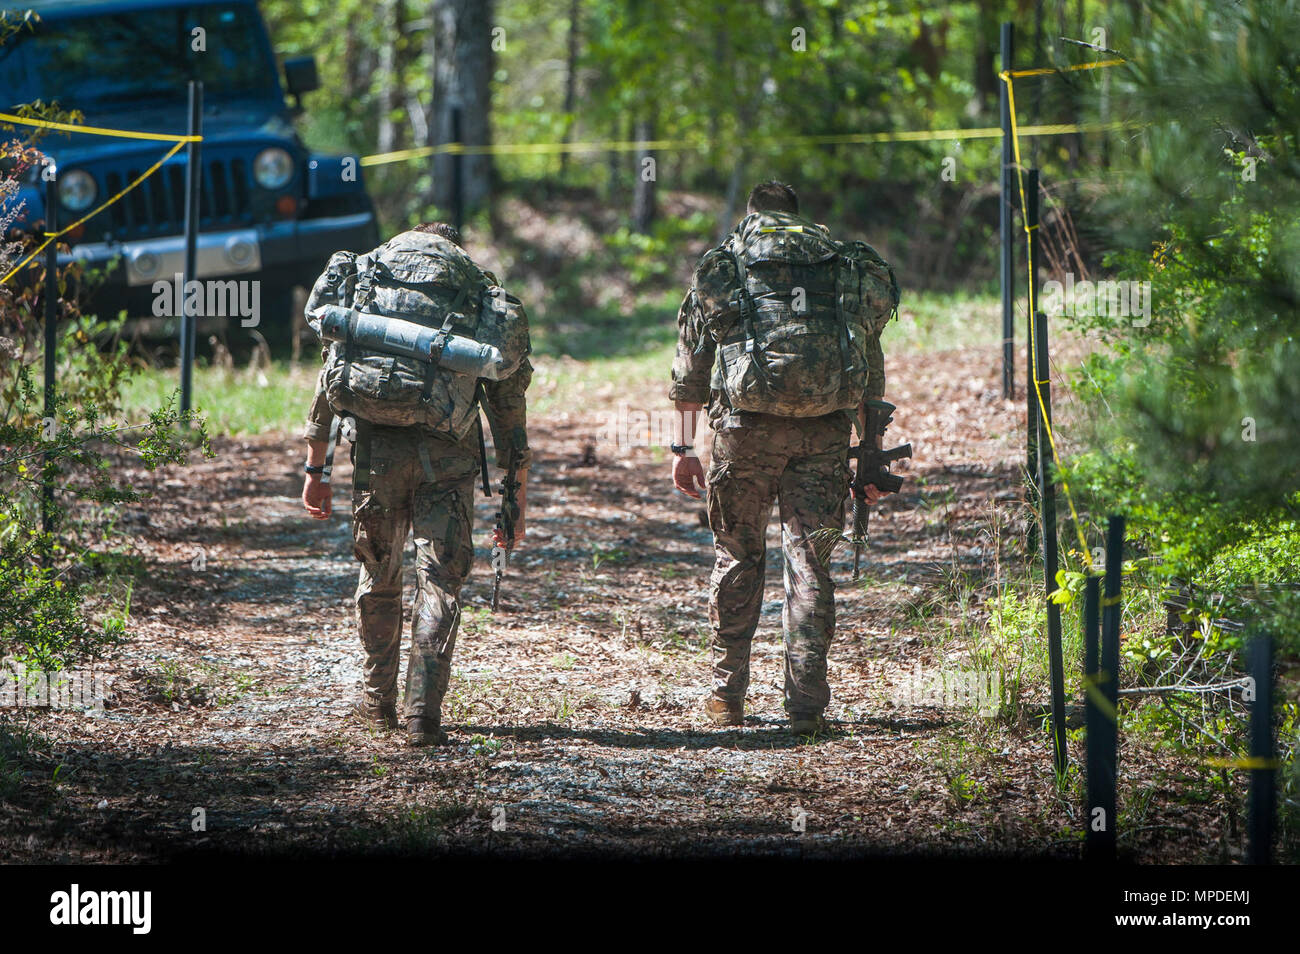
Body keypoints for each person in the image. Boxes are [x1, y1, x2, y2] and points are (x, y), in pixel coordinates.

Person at [669, 181, 899, 734]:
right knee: (811, 563)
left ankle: (727, 698)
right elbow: (869, 365)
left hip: (743, 432)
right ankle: (806, 707)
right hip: (824, 432)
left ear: (753, 213)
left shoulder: (729, 262)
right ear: (797, 214)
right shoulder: (838, 264)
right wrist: (869, 452)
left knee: (737, 556)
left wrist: (682, 446)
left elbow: (691, 367)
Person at [299, 222, 532, 746]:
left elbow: (328, 382)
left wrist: (316, 471)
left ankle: (375, 700)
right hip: (447, 459)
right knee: (440, 580)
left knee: (379, 572)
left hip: (376, 453)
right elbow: (508, 412)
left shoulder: (368, 282)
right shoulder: (478, 293)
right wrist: (514, 502)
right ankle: (422, 714)